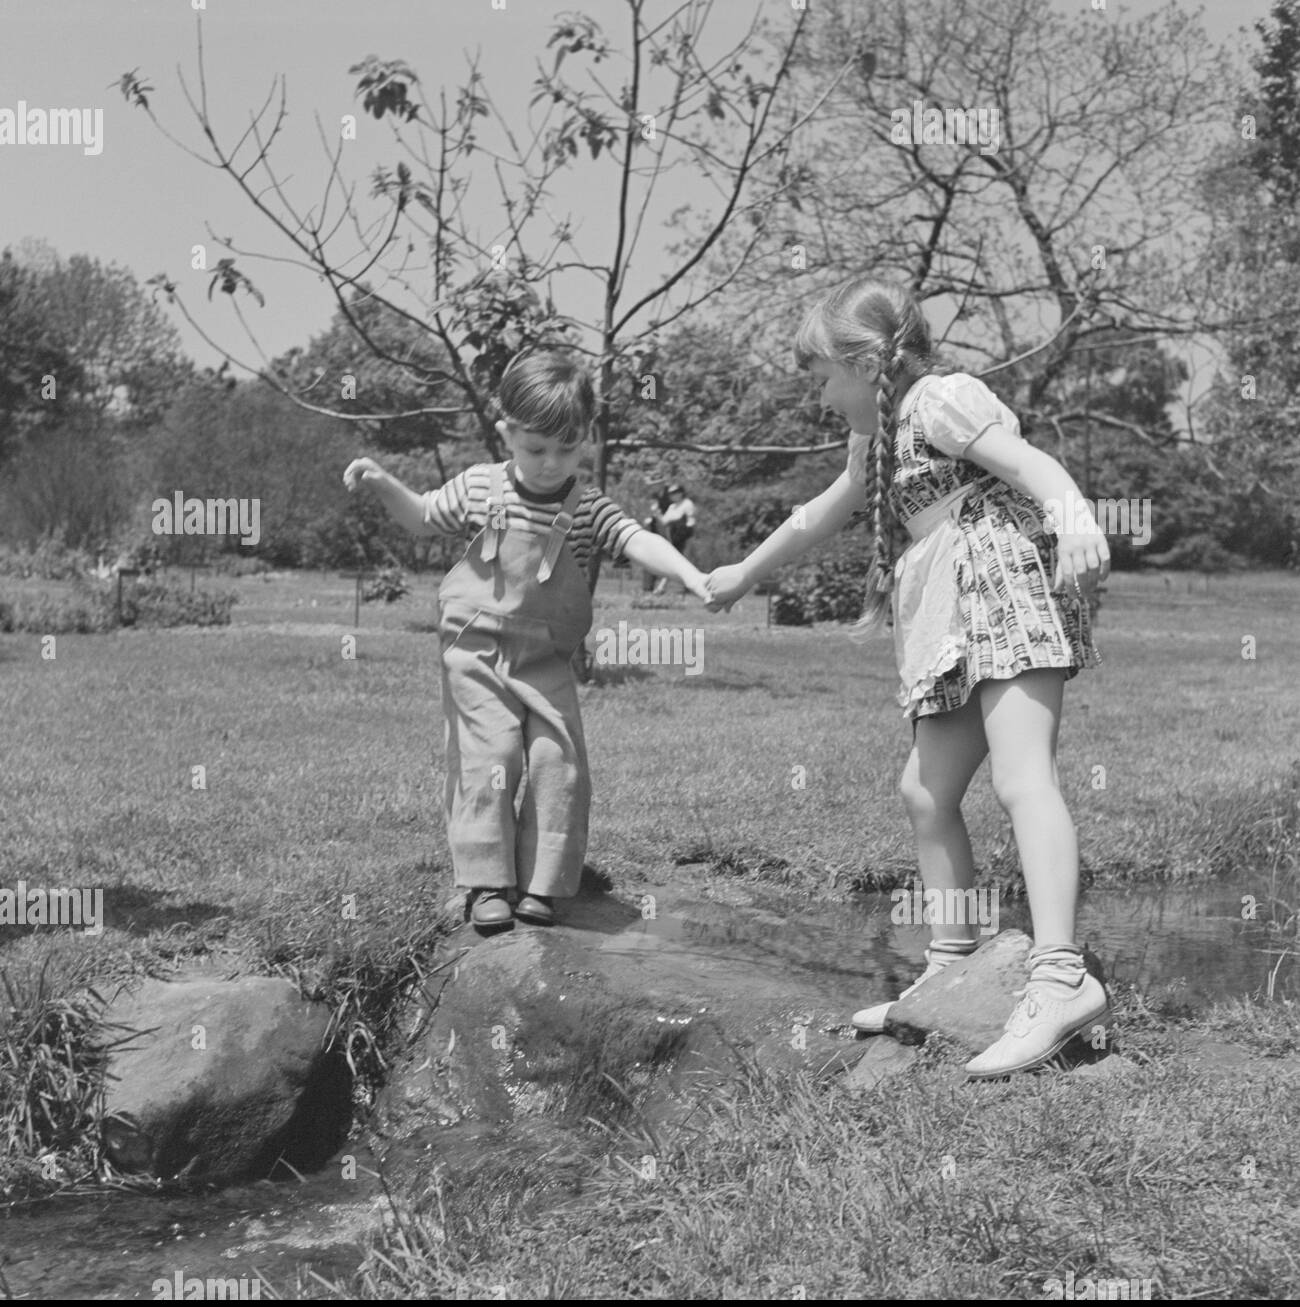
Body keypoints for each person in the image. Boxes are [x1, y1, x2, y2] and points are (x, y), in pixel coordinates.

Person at [705, 280, 1109, 1079]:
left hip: (1002, 588)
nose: (821, 396)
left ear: (864, 363)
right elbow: (816, 514)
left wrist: (1073, 512)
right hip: (949, 617)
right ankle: (952, 963)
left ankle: (1060, 975)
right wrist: (742, 573)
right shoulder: (881, 438)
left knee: (1024, 779)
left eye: (823, 377)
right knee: (926, 793)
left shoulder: (940, 400)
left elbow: (1028, 461)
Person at [345, 350, 712, 930]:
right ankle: (486, 881)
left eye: (567, 449)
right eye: (535, 448)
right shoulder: (480, 488)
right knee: (492, 755)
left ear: (587, 438)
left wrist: (691, 575)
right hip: (476, 653)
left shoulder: (587, 508)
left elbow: (639, 540)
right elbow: (421, 516)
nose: (550, 464)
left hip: (547, 659)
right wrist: (386, 483)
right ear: (506, 434)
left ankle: (542, 883)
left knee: (556, 761)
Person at [651, 483, 698, 595]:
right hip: (673, 537)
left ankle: (662, 587)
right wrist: (656, 512)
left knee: (679, 562)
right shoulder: (672, 507)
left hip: (684, 537)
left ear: (681, 493)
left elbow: (691, 521)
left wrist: (687, 533)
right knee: (676, 563)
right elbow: (664, 521)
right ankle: (686, 586)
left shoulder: (687, 504)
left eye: (675, 493)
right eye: (671, 493)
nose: (672, 495)